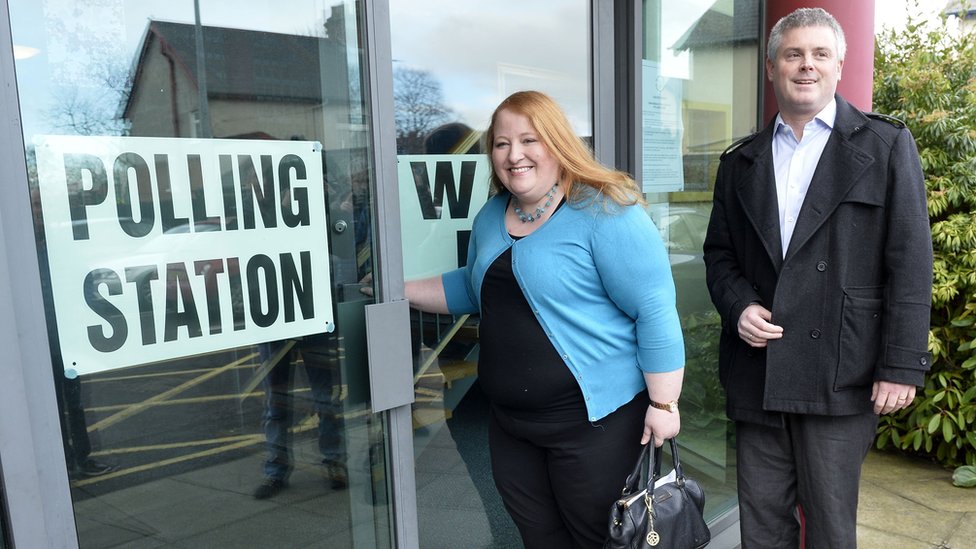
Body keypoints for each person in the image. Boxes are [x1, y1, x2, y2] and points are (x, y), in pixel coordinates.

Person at [405, 90, 685, 548]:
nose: (514, 155)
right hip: (512, 427)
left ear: (556, 143)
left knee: (600, 539)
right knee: (540, 539)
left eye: (528, 140)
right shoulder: (492, 215)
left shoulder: (605, 211)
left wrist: (664, 404)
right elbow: (474, 287)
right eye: (501, 143)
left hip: (594, 427)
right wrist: (399, 290)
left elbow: (653, 309)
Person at [703, 8, 932, 548]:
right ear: (771, 67)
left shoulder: (885, 144)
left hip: (841, 368)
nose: (807, 65)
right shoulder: (740, 161)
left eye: (819, 54)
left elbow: (910, 262)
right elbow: (719, 255)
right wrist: (738, 306)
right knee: (762, 530)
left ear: (838, 65)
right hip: (759, 370)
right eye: (793, 54)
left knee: (830, 529)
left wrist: (900, 366)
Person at [252, 335, 347, 499]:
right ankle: (277, 471)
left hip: (303, 329)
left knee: (325, 400)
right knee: (276, 404)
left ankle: (332, 461)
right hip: (278, 332)